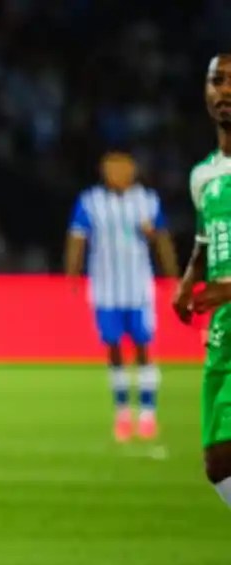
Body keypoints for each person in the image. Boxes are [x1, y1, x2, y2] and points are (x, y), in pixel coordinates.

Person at [65, 151, 179, 441]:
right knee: (113, 348)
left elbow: (163, 238)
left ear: (131, 172)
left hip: (138, 289)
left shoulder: (147, 200)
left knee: (143, 347)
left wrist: (174, 274)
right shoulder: (91, 201)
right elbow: (77, 238)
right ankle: (122, 413)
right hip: (105, 290)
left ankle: (148, 414)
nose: (115, 174)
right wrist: (73, 272)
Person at [174, 53, 231, 509]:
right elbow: (204, 243)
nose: (225, 90)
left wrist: (223, 289)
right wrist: (188, 280)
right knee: (217, 462)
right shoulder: (205, 175)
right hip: (222, 333)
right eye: (217, 80)